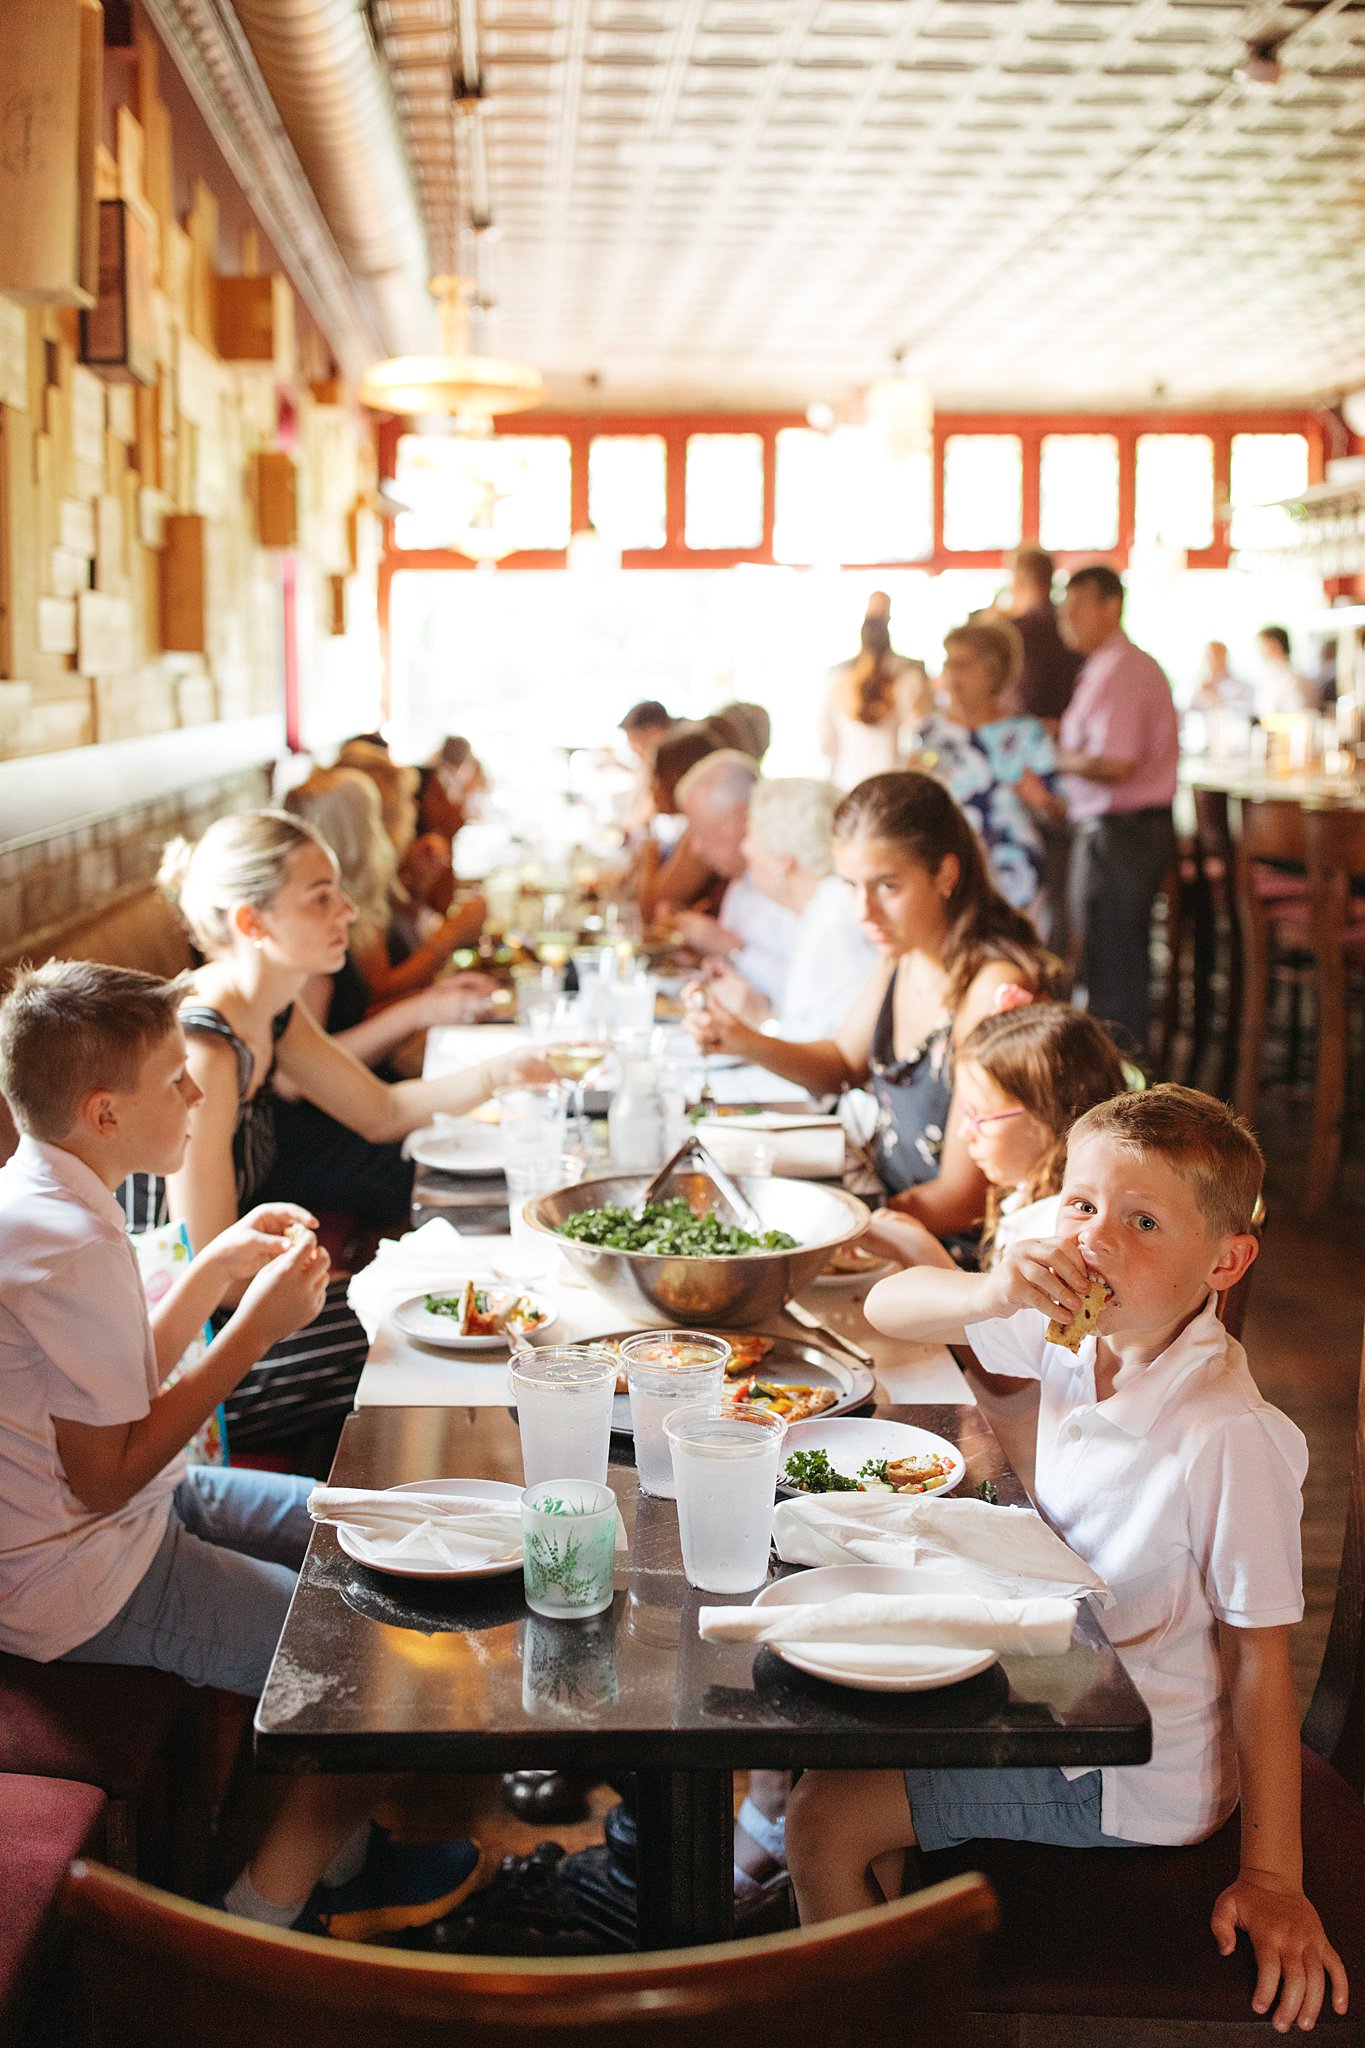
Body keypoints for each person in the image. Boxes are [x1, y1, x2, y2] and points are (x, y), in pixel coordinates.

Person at [789, 1086, 1349, 2040]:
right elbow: (893, 1306)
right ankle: (886, 1982)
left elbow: (1261, 1665)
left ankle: (854, 1986)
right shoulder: (1078, 1329)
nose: (1097, 1241)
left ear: (1226, 1259)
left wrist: (1270, 1878)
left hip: (1132, 1765)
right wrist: (987, 1290)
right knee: (832, 1718)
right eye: (1083, 1208)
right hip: (1064, 1677)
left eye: (1142, 1221)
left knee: (822, 1822)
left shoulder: (1224, 1435)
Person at [0, 961, 483, 1938]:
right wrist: (250, 1331)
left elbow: (121, 1381)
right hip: (82, 1575)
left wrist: (217, 1266)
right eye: (176, 1076)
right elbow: (104, 1478)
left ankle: (337, 1849)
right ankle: (271, 1910)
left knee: (366, 1534)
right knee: (383, 1671)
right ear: (103, 1111)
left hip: (143, 1508)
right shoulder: (58, 1241)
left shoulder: (51, 1185)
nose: (196, 1091)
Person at [141, 811, 543, 1459]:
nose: (349, 911)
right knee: (431, 1329)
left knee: (467, 1309)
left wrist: (501, 1072)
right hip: (183, 1358)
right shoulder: (204, 1046)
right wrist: (368, 1284)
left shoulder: (267, 1011)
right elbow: (211, 1272)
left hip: (234, 1312)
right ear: (252, 922)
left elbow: (379, 1111)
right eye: (320, 896)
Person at [686, 771, 1053, 1244]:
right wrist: (737, 1038)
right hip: (884, 1219)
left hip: (943, 1254)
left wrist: (828, 1225)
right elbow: (842, 1065)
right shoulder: (900, 953)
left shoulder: (992, 991)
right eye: (851, 886)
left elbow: (961, 1200)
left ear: (945, 874)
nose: (864, 911)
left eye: (887, 887)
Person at [262, 769, 495, 1226]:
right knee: (479, 1189)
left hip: (346, 1117)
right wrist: (422, 1007)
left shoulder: (315, 934)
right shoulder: (301, 953)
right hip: (317, 1144)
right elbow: (294, 1081)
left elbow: (355, 1050)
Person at [1056, 564, 1179, 1062]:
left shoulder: (1123, 670)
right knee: (1108, 961)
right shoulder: (1107, 667)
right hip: (1114, 830)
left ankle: (1127, 1092)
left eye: (1078, 606)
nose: (1068, 617)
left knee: (1117, 967)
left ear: (1111, 606)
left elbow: (1117, 762)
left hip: (1126, 833)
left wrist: (1052, 756)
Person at [693, 777, 877, 1040]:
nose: (745, 848)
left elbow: (838, 1059)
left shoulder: (835, 918)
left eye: (750, 836)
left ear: (783, 862)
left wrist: (761, 1021)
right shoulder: (820, 909)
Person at [915, 619, 1062, 922]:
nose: (953, 675)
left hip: (1016, 874)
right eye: (949, 663)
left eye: (964, 665)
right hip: (949, 872)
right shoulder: (927, 734)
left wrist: (1042, 801)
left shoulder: (1026, 733)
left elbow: (1059, 812)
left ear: (994, 672)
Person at [668, 751, 799, 1006]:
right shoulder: (739, 881)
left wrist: (731, 949)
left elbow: (803, 994)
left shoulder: (788, 882)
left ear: (742, 816)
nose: (696, 849)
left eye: (702, 832)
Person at [821, 594, 932, 791]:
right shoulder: (906, 682)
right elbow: (921, 728)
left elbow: (826, 743)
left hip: (845, 780)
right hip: (890, 779)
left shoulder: (838, 682)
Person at [1000, 545, 1083, 729]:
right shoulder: (1073, 625)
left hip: (1028, 733)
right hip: (1072, 731)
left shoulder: (1013, 631)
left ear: (1019, 581)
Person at [1255, 626, 1316, 717]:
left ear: (1275, 644)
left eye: (1262, 644)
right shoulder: (1271, 677)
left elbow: (1298, 716)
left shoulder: (1293, 679)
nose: (1259, 650)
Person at [1192, 640, 1254, 716]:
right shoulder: (1196, 688)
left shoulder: (1243, 687)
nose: (1211, 659)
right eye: (1207, 656)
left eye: (1216, 654)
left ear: (1225, 656)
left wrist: (1212, 696)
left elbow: (1242, 715)